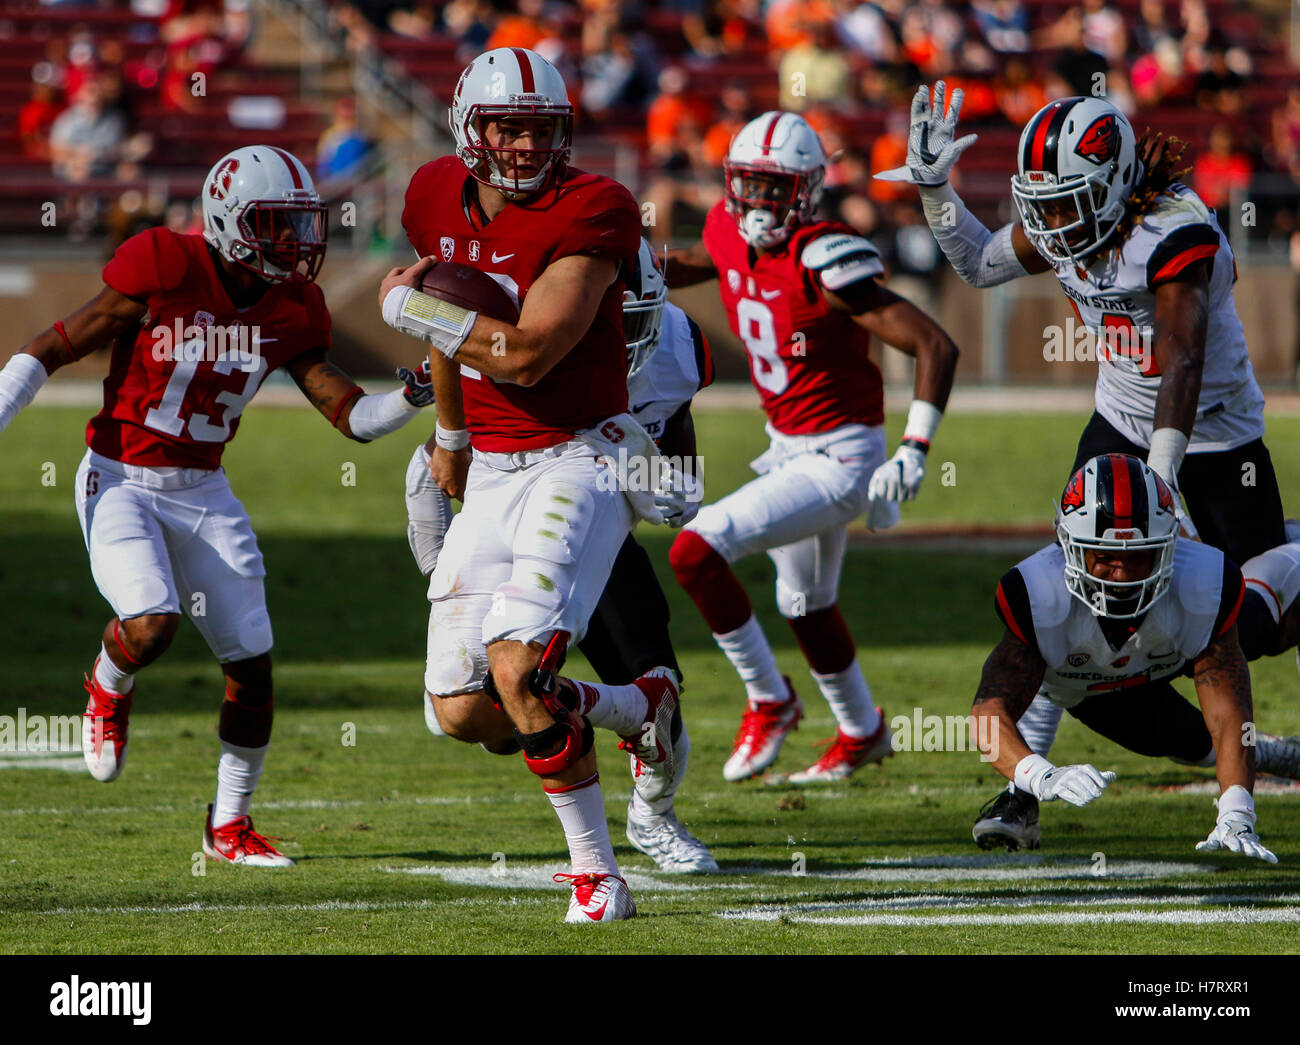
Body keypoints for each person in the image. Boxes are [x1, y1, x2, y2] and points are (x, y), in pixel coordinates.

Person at [0, 145, 435, 866]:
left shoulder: (294, 305)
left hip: (203, 489)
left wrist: (414, 397)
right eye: (276, 224)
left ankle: (228, 825)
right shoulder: (166, 264)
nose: (294, 242)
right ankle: (109, 681)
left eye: (300, 224)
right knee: (152, 622)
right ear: (231, 221)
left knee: (253, 660)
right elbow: (51, 345)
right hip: (121, 476)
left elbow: (350, 417)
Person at [880, 84, 1291, 841]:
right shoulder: (1078, 219)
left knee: (1254, 622)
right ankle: (1022, 794)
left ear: (1112, 186)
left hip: (1217, 438)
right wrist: (934, 188)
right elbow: (976, 261)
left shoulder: (1173, 229)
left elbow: (1182, 362)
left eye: (1067, 203)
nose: (1051, 223)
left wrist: (1161, 481)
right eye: (1044, 203)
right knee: (1080, 594)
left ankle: (1287, 550)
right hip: (1118, 424)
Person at [380, 47, 688, 922]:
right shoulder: (432, 194)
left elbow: (524, 352)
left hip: (580, 455)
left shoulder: (595, 206)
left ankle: (599, 877)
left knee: (519, 665)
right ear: (469, 130)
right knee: (462, 709)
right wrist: (449, 433)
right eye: (506, 127)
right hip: (493, 469)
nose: (522, 147)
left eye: (541, 129)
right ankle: (635, 703)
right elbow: (453, 333)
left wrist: (413, 309)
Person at [664, 110, 962, 783]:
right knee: (805, 604)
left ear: (805, 190)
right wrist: (627, 271)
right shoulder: (723, 230)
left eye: (775, 187)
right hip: (788, 447)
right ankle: (863, 730)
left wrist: (915, 447)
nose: (759, 201)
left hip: (842, 457)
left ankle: (769, 699)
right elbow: (693, 263)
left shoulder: (825, 256)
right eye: (750, 184)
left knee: (696, 550)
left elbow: (934, 344)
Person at [405, 239, 718, 873]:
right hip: (514, 502)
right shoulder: (520, 333)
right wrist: (448, 442)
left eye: (632, 322)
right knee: (483, 711)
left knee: (662, 698)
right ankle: (521, 690)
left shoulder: (678, 347)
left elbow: (675, 421)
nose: (619, 342)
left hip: (598, 520)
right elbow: (449, 353)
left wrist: (677, 476)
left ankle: (653, 817)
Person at [971, 454, 1300, 859]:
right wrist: (1041, 777)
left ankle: (1294, 550)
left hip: (1174, 648)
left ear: (1168, 546)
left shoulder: (1200, 586)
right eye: (1106, 557)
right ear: (1070, 547)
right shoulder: (1038, 594)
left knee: (1257, 627)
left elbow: (1229, 714)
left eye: (1137, 556)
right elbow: (987, 716)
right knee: (1185, 742)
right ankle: (1282, 754)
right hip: (1098, 688)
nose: (1122, 575)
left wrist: (1237, 812)